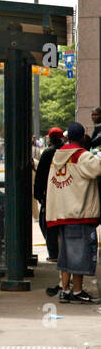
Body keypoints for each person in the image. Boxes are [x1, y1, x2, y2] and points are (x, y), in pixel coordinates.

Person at [45, 122, 101, 302]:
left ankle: (65, 289)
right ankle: (77, 291)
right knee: (79, 254)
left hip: (62, 213)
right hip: (79, 213)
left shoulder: (57, 156)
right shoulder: (82, 156)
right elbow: (98, 168)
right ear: (83, 137)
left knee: (66, 254)